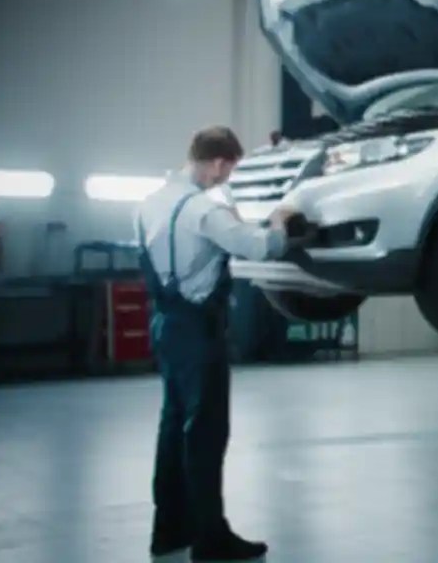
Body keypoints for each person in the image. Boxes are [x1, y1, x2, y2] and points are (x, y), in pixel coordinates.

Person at [135, 126, 297, 561]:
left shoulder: (150, 204)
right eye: (229, 171)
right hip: (198, 331)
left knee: (173, 428)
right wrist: (280, 223)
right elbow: (260, 247)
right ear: (220, 163)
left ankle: (169, 530)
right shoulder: (202, 209)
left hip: (165, 326)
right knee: (206, 433)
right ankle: (211, 539)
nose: (225, 179)